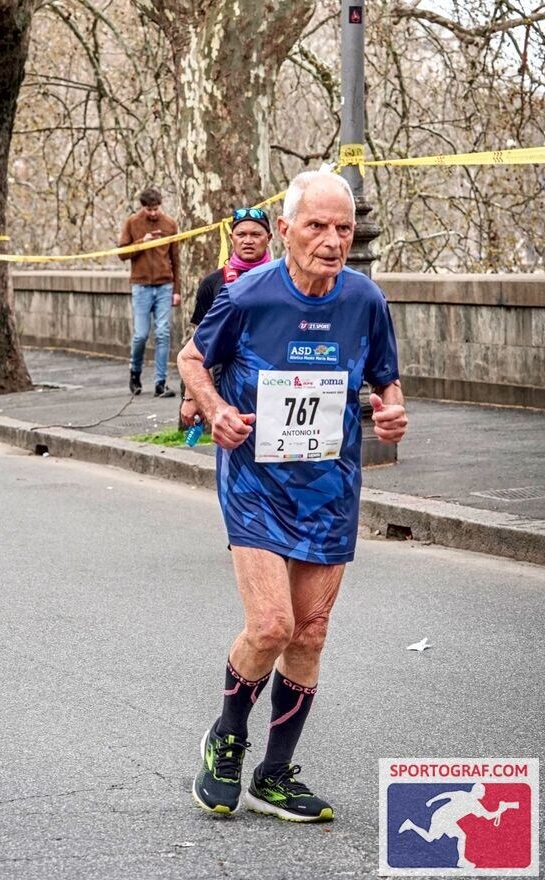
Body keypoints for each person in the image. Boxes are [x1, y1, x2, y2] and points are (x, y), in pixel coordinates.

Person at [177, 171, 408, 822]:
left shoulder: (365, 299)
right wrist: (216, 410)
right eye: (317, 226)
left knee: (309, 633)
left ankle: (274, 775)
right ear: (285, 230)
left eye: (344, 229)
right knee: (272, 625)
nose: (333, 241)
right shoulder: (246, 296)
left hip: (330, 486)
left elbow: (385, 378)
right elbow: (193, 359)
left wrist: (392, 411)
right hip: (255, 480)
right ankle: (227, 739)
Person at [180, 206, 273, 430]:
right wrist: (191, 396)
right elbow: (197, 347)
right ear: (232, 238)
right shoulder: (213, 284)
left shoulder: (284, 279)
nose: (248, 240)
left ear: (269, 238)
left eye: (256, 234)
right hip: (228, 381)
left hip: (274, 378)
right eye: (241, 234)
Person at [119, 186, 181, 397]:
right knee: (141, 335)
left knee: (163, 333)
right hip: (141, 285)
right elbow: (122, 253)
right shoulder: (132, 223)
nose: (153, 213)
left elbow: (175, 259)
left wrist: (177, 289)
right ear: (143, 207)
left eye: (156, 209)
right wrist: (141, 243)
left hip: (165, 285)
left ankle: (160, 382)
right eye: (149, 209)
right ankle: (135, 372)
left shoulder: (170, 224)